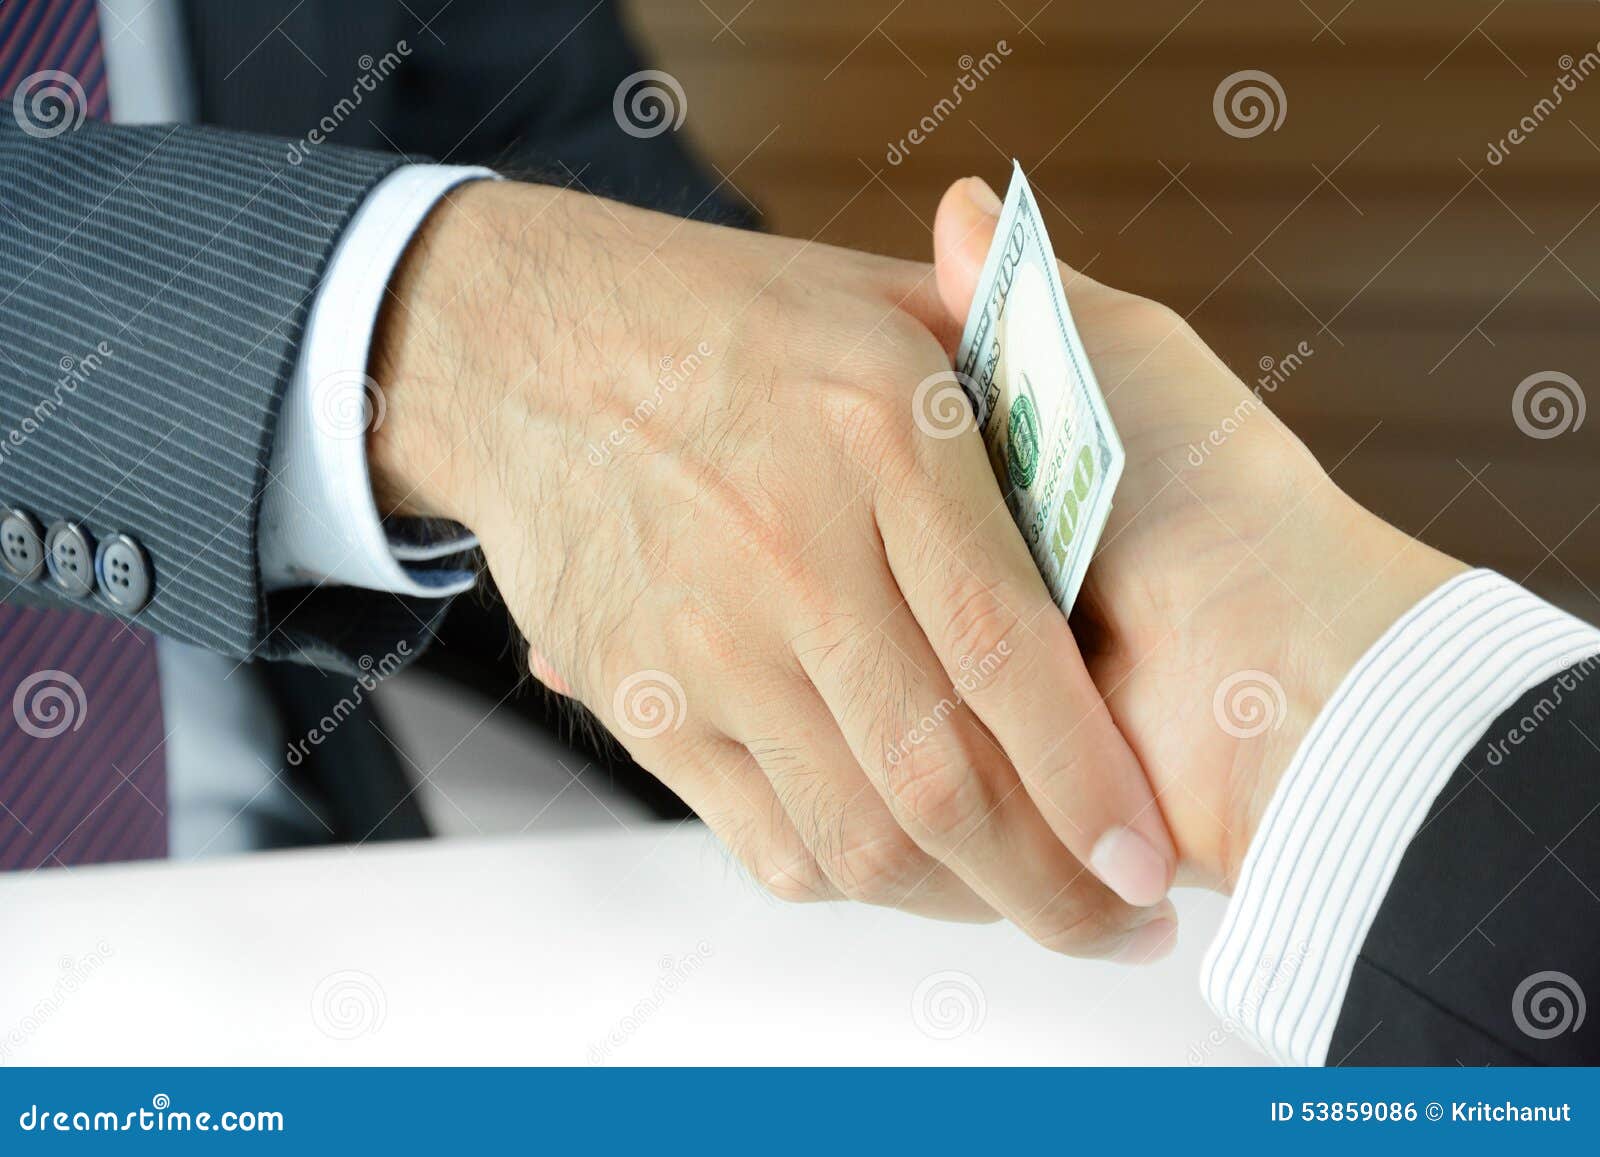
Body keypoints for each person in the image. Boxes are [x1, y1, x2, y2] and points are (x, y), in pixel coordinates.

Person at [1, 1, 1594, 1065]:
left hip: (364, 917)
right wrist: (441, 334)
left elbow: (594, 204)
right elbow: (556, 334)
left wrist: (1189, 668)